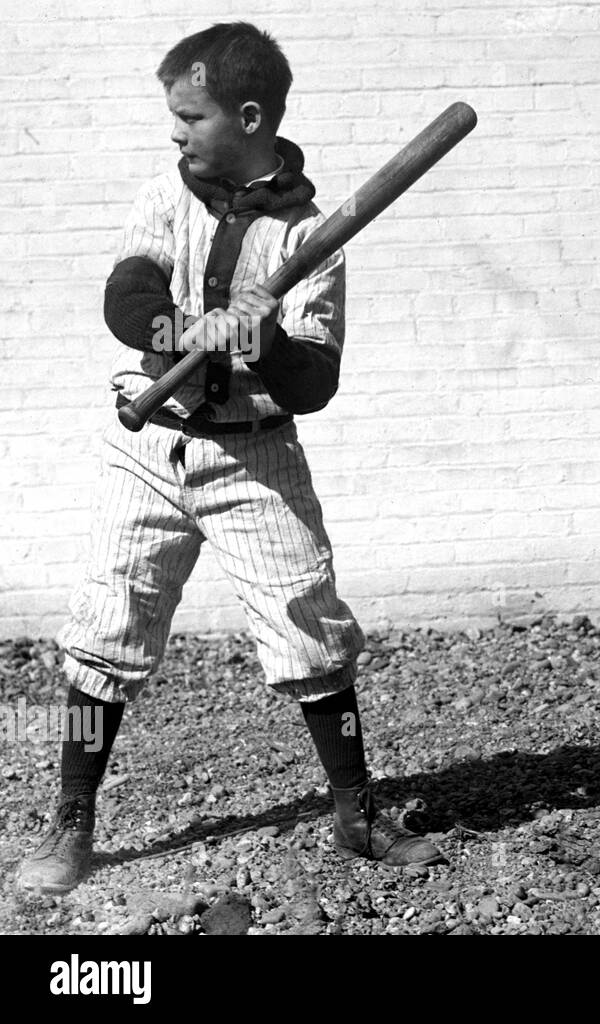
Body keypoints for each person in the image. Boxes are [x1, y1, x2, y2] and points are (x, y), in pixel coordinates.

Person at [18, 22, 440, 896]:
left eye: (190, 115)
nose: (174, 132)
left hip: (256, 453)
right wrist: (186, 335)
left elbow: (314, 379)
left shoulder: (309, 238)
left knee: (309, 625)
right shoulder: (164, 198)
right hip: (151, 443)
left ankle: (357, 814)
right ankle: (72, 820)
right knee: (107, 623)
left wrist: (263, 337)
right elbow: (126, 297)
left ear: (248, 118)